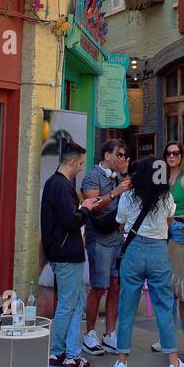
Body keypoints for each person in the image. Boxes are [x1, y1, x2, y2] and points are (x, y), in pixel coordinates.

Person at [112, 156, 184, 367]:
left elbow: (120, 222)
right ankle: (173, 363)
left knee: (127, 306)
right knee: (164, 305)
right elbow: (169, 222)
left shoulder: (127, 196)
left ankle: (122, 362)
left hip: (133, 249)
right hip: (158, 251)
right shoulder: (166, 196)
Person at [40, 141, 107, 367]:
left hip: (60, 253)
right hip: (67, 253)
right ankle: (67, 354)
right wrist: (87, 207)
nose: (81, 167)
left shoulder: (53, 184)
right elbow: (71, 221)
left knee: (71, 303)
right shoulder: (61, 186)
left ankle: (62, 353)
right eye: (79, 163)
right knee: (70, 305)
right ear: (71, 161)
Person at [80, 139, 131, 355]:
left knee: (115, 286)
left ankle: (110, 333)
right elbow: (92, 204)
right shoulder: (92, 176)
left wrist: (126, 175)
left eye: (123, 155)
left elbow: (132, 198)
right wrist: (116, 191)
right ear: (107, 155)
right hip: (99, 240)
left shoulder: (120, 176)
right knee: (98, 287)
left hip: (118, 237)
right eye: (118, 154)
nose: (121, 158)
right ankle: (89, 332)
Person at [152, 141, 184, 355]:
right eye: (168, 153)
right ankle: (166, 338)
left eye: (176, 153)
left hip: (181, 231)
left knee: (181, 289)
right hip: (162, 231)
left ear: (182, 156)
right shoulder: (160, 176)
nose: (171, 156)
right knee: (165, 288)